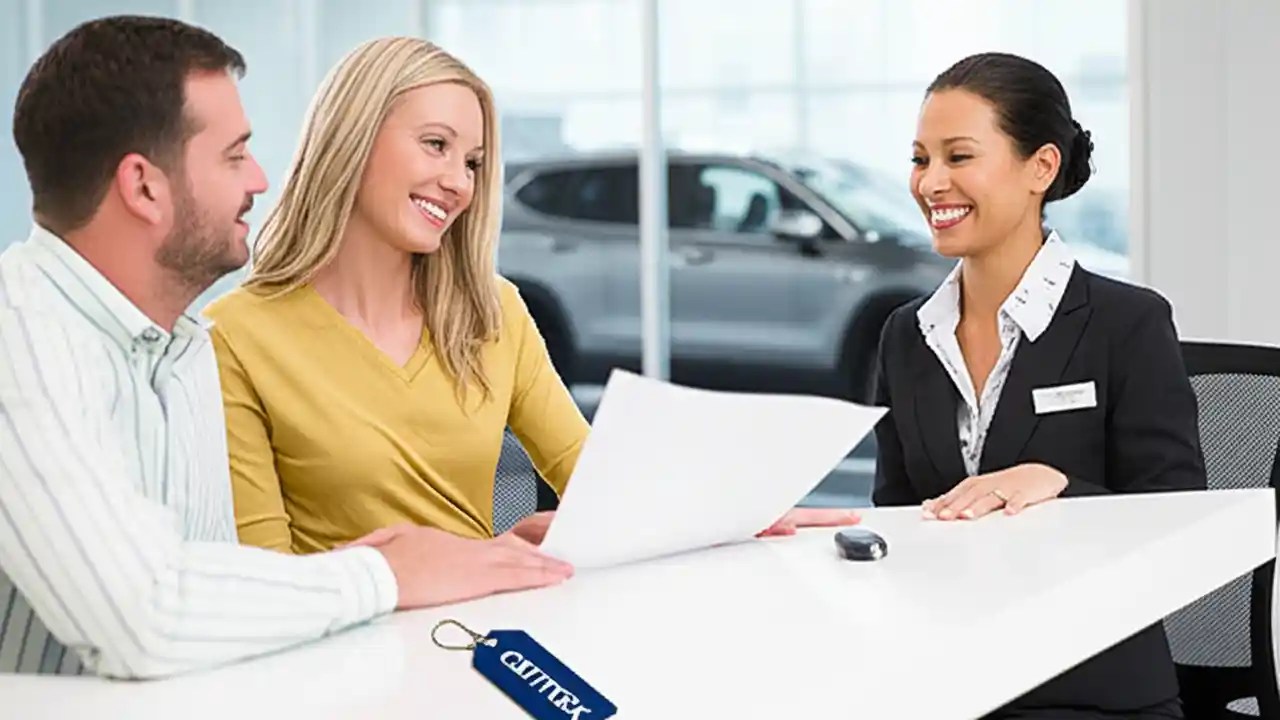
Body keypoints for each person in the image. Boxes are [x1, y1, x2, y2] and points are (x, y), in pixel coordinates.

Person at [0, 16, 573, 679]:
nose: (261, 180)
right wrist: (390, 571)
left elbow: (231, 584)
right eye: (234, 155)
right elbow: (150, 616)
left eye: (470, 161)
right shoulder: (25, 342)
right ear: (144, 186)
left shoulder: (179, 351)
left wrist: (469, 563)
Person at [203, 36, 856, 557]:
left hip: (485, 638)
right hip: (344, 669)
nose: (457, 182)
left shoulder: (492, 313)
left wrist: (742, 511)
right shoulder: (236, 336)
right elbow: (271, 585)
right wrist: (466, 562)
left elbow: (596, 479)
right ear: (352, 138)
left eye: (473, 163)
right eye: (436, 145)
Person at [872, 52, 1205, 719]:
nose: (931, 182)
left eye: (959, 157)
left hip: (1089, 693)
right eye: (920, 159)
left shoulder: (1126, 323)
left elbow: (1179, 523)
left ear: (1041, 168)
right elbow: (899, 522)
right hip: (948, 681)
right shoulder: (907, 335)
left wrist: (1059, 488)